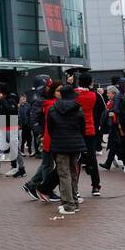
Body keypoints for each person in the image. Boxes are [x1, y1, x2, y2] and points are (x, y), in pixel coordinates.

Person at [46, 81, 86, 215]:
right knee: (73, 173)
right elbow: (82, 127)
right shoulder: (78, 108)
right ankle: (74, 201)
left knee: (64, 174)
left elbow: (50, 128)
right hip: (76, 143)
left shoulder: (53, 108)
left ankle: (68, 204)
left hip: (59, 144)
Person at [75, 75, 102, 195]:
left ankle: (75, 187)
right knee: (92, 157)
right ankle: (96, 186)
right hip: (89, 128)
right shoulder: (93, 95)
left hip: (76, 129)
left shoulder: (75, 94)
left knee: (76, 160)